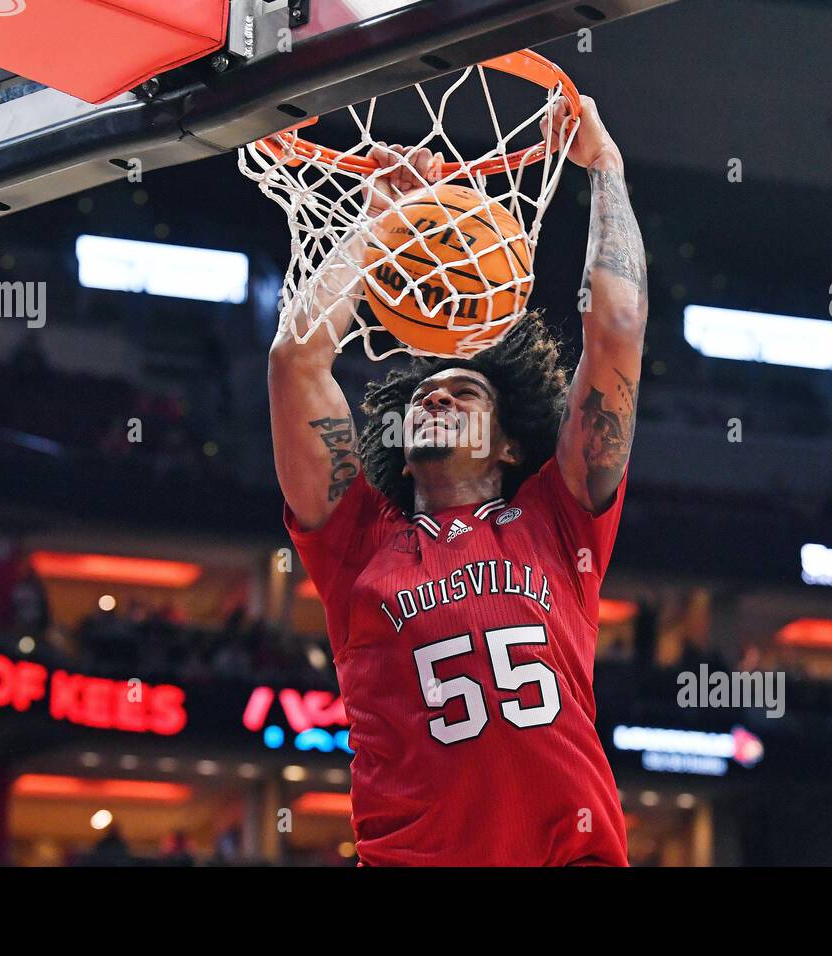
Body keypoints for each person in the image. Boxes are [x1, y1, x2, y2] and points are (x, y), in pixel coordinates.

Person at [268, 97, 646, 865]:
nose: (435, 395)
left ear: (509, 446)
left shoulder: (559, 519)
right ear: (401, 447)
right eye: (422, 396)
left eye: (463, 392)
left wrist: (605, 168)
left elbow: (616, 328)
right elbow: (296, 359)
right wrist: (377, 222)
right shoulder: (357, 542)